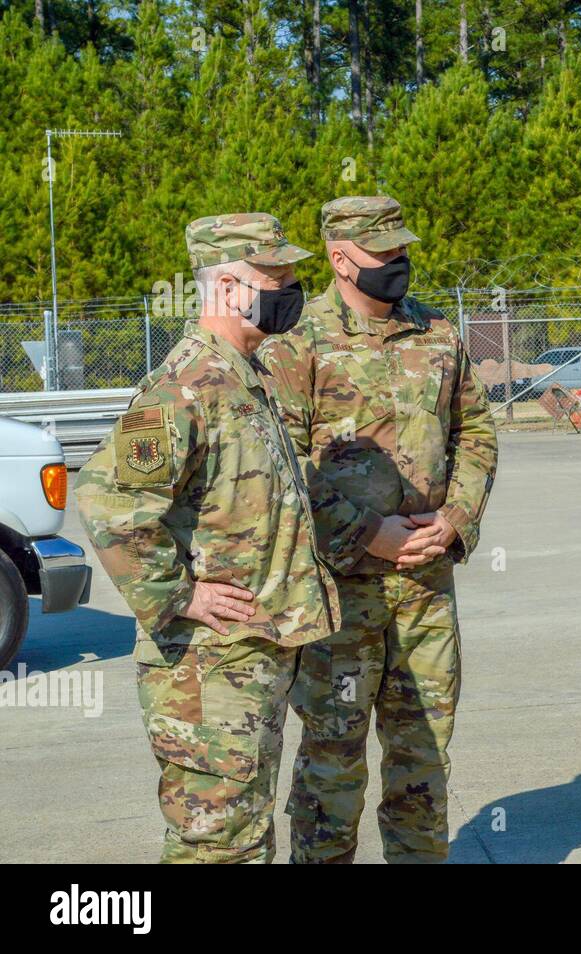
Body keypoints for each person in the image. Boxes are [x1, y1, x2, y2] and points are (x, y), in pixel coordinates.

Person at [75, 213, 338, 863]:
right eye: (273, 276)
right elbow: (110, 501)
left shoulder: (246, 375)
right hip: (205, 668)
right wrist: (179, 594)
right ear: (225, 286)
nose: (291, 286)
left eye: (291, 273)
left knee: (245, 833)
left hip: (253, 656)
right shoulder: (187, 383)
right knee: (216, 844)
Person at [259, 195, 497, 864]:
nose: (400, 262)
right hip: (340, 597)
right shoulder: (297, 345)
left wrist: (457, 517)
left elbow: (475, 430)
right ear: (340, 258)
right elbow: (282, 465)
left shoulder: (438, 334)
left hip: (426, 588)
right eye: (383, 253)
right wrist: (366, 533)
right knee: (332, 766)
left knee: (422, 761)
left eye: (403, 250)